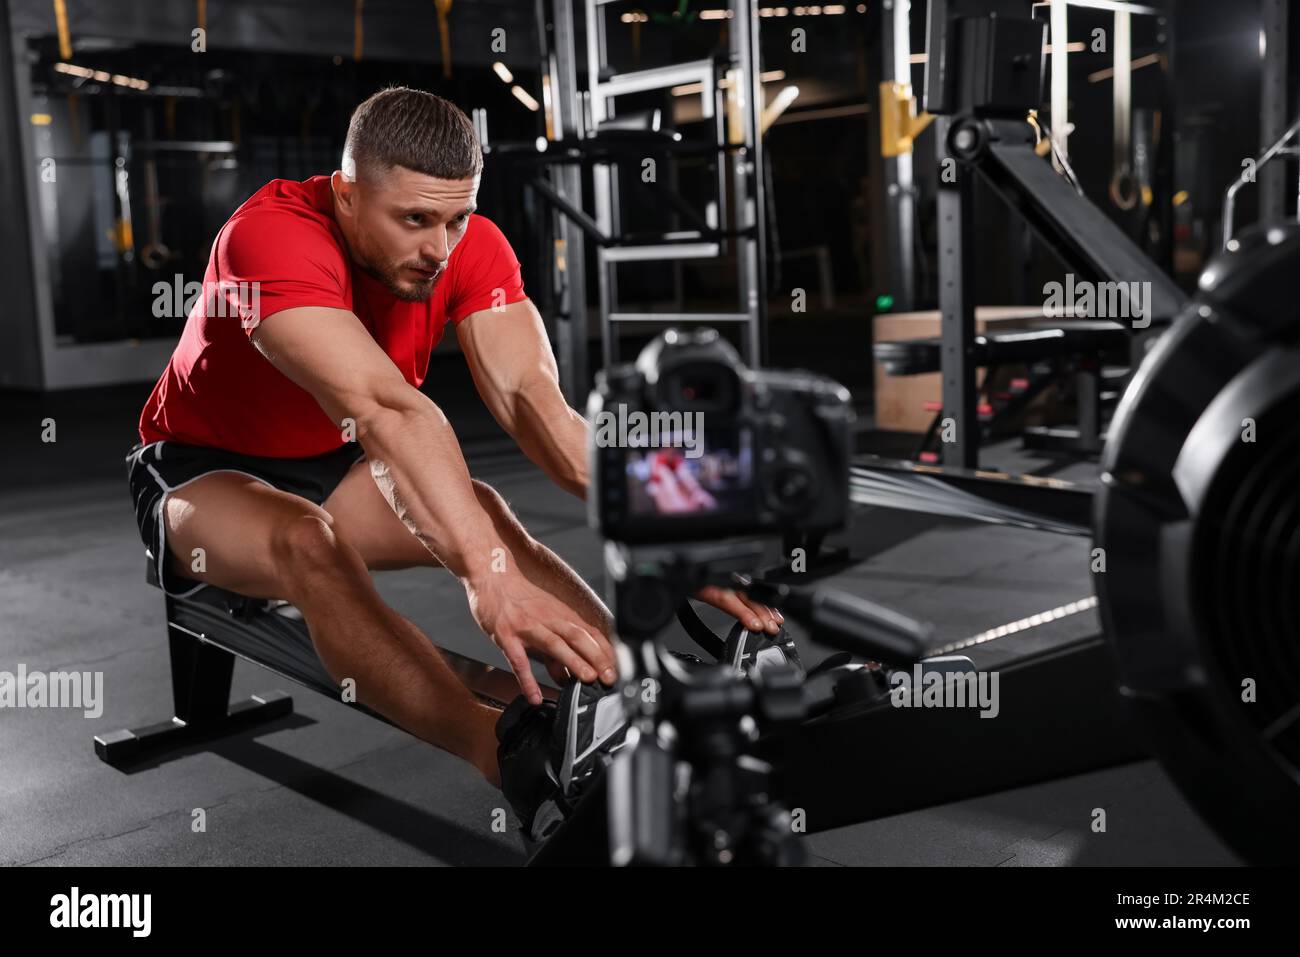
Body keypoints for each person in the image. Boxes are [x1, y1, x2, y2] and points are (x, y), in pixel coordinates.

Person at [126, 86, 783, 841]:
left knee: (487, 511)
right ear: (346, 194)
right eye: (413, 219)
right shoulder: (267, 239)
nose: (440, 247)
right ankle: (509, 758)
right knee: (309, 542)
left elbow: (535, 402)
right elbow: (385, 409)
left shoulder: (469, 245)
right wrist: (484, 576)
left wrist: (665, 527)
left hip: (328, 457)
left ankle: (643, 694)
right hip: (197, 469)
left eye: (456, 216)